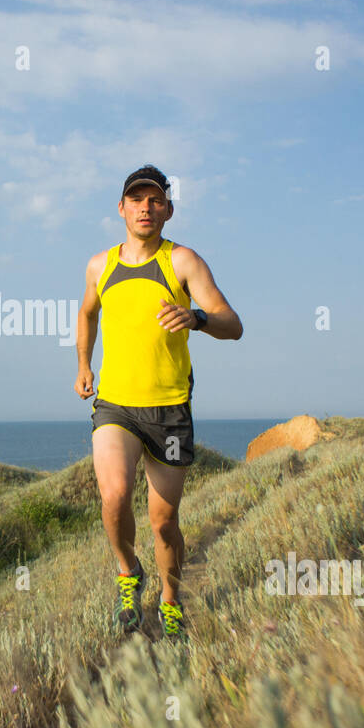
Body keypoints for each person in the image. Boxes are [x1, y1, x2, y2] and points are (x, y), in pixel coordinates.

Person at [75, 165, 243, 641]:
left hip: (169, 410)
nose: (145, 208)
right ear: (122, 208)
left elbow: (233, 324)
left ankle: (171, 601)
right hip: (115, 406)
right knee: (113, 497)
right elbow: (87, 313)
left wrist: (195, 317)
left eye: (155, 200)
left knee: (164, 523)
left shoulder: (183, 261)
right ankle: (129, 573)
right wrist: (84, 365)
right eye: (137, 199)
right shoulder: (99, 265)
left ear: (168, 209)